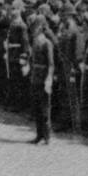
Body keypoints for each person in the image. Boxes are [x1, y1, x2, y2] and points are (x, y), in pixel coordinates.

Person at [28, 15, 56, 146]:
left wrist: (48, 79)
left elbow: (50, 64)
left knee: (45, 109)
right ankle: (39, 134)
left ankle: (47, 135)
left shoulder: (47, 43)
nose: (33, 30)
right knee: (37, 107)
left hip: (43, 77)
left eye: (36, 27)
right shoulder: (35, 42)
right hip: (35, 76)